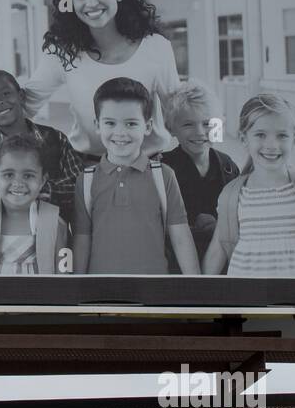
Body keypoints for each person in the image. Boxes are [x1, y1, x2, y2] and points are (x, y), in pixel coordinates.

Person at [12, 0, 180, 160]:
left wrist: (214, 148)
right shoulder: (63, 52)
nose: (91, 3)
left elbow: (181, 114)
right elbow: (18, 108)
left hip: (149, 164)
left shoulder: (156, 47)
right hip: (86, 167)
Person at [71, 78, 199, 275]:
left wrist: (196, 287)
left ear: (147, 126)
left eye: (131, 123)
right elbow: (82, 239)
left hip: (154, 291)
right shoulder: (86, 180)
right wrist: (77, 288)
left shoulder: (163, 175)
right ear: (97, 125)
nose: (120, 132)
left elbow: (180, 236)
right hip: (101, 291)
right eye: (110, 123)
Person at [203, 94, 295, 277]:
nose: (272, 145)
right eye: (260, 135)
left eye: (282, 135)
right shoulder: (233, 195)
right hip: (248, 300)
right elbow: (216, 252)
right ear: (244, 139)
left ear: (294, 139)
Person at [0, 69, 85, 224]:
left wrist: (32, 191)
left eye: (5, 94)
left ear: (21, 96)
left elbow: (77, 189)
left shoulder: (56, 139)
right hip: (2, 238)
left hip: (53, 232)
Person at [160, 79, 240, 262]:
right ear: (171, 128)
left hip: (223, 260)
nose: (199, 132)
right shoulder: (163, 167)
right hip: (177, 261)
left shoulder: (228, 167)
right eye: (188, 124)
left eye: (207, 124)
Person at [0, 133, 70, 274]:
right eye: (8, 174)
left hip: (40, 295)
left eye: (28, 175)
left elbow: (64, 272)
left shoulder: (55, 220)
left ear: (42, 180)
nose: (18, 183)